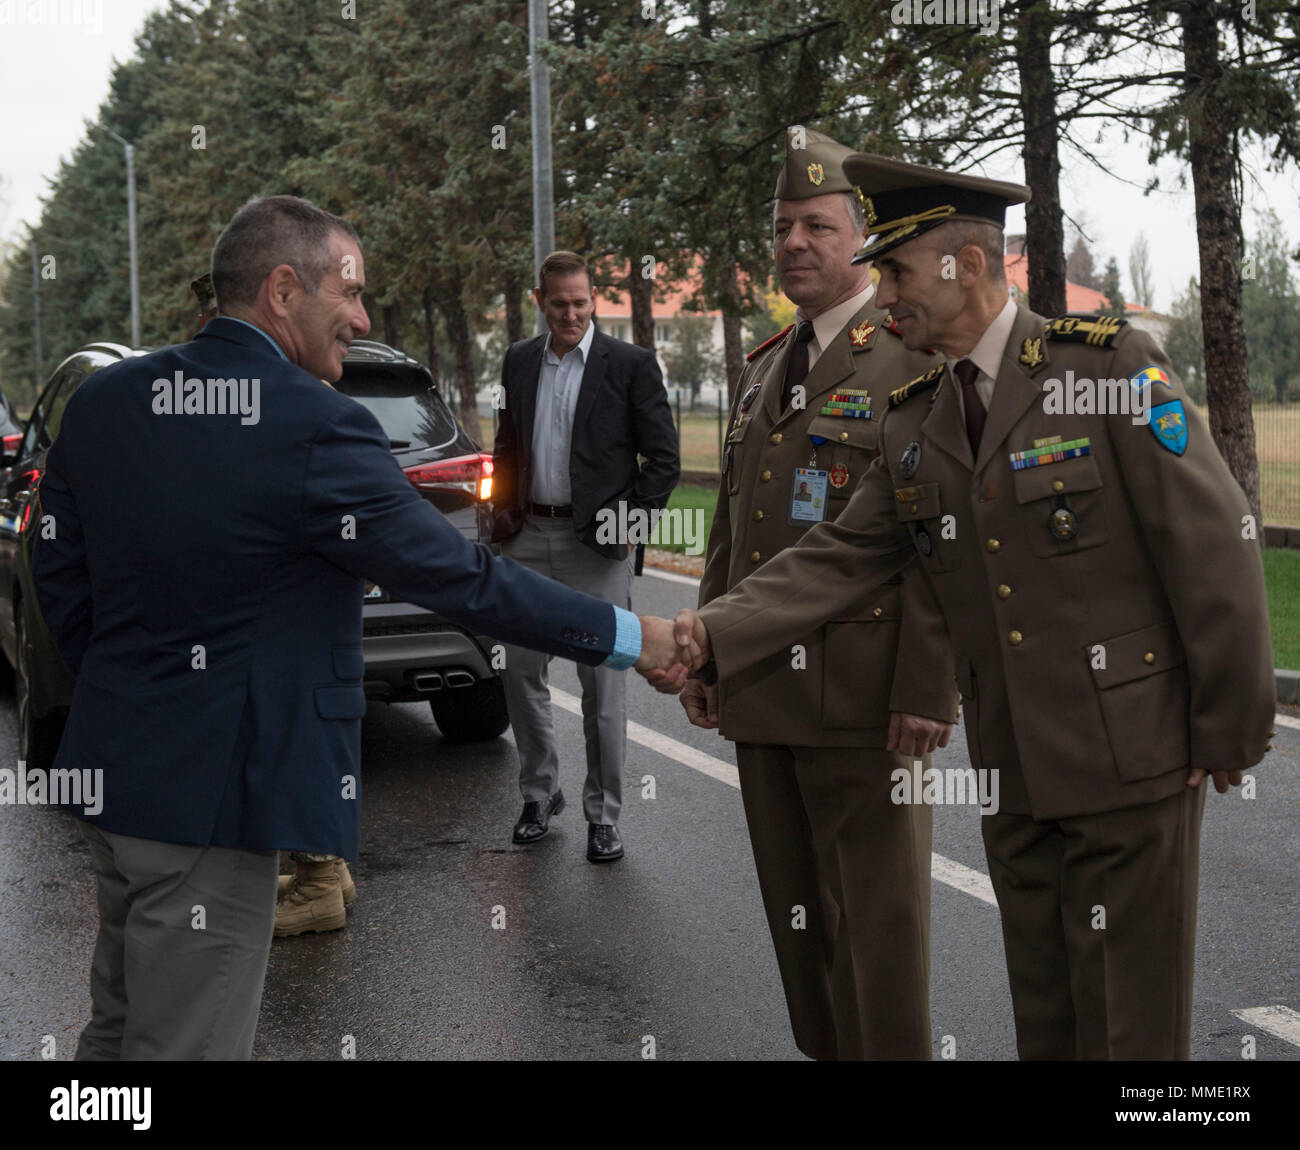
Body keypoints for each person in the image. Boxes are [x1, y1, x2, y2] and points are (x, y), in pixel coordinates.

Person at [32, 195, 693, 1060]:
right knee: (180, 1048)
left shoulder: (107, 400)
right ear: (281, 289)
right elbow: (465, 579)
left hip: (116, 778)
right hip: (216, 808)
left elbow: (60, 582)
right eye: (349, 292)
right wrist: (635, 638)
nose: (363, 315)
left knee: (117, 1034)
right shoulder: (310, 423)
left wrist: (137, 692)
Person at [674, 155, 1274, 1060]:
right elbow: (840, 555)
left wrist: (1228, 728)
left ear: (970, 265)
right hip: (1016, 772)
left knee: (1131, 1033)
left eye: (898, 272)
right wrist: (699, 632)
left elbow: (1214, 540)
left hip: (1134, 761)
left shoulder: (1106, 368)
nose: (885, 296)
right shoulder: (921, 416)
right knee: (1049, 1019)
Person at [684, 128, 956, 1060]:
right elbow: (734, 525)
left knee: (878, 939)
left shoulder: (909, 358)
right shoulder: (767, 365)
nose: (795, 243)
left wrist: (927, 684)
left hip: (865, 702)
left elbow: (931, 537)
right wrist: (707, 653)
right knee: (803, 934)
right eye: (783, 226)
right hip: (766, 698)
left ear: (861, 239)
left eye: (817, 226)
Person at [491, 250, 679, 862]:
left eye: (579, 302)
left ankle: (604, 815)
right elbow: (508, 445)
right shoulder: (519, 359)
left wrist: (629, 522)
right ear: (538, 299)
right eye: (558, 303)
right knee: (521, 673)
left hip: (596, 548)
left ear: (593, 298)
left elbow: (663, 460)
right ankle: (539, 795)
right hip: (527, 539)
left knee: (603, 684)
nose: (569, 314)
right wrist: (501, 522)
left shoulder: (629, 365)